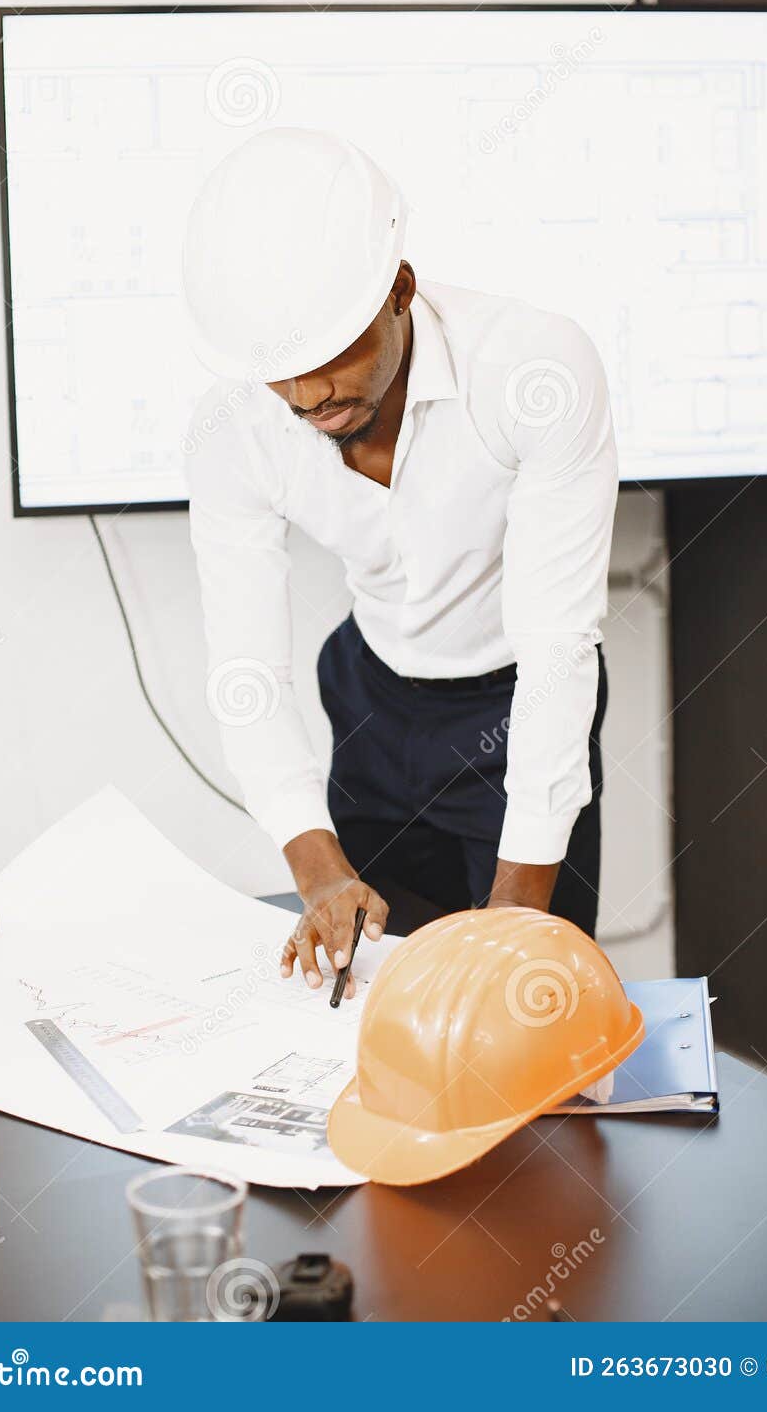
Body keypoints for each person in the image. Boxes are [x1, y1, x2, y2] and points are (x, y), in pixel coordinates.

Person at [184, 128, 618, 994]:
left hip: (514, 701)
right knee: (377, 990)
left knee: (525, 1005)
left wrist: (515, 920)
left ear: (399, 291)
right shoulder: (233, 426)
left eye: (325, 359)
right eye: (279, 374)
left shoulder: (534, 368)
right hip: (373, 696)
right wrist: (317, 869)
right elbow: (245, 668)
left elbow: (557, 646)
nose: (306, 398)